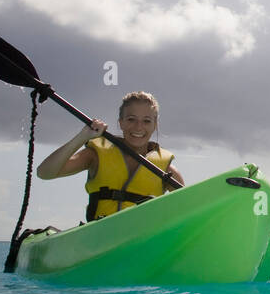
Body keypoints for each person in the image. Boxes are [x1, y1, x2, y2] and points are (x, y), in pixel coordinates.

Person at [36, 90, 185, 221]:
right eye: (131, 119)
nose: (138, 127)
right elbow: (44, 172)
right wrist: (82, 137)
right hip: (99, 236)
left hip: (143, 239)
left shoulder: (167, 170)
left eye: (146, 121)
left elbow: (189, 209)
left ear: (155, 125)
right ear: (121, 123)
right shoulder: (96, 155)